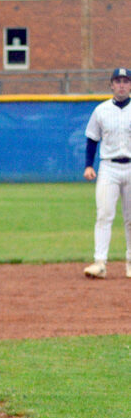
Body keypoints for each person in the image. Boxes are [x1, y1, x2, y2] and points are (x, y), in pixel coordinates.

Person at [83, 67, 131, 279]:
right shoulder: (101, 110)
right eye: (118, 80)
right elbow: (92, 139)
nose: (121, 84)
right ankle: (100, 262)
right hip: (108, 167)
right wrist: (88, 165)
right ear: (111, 85)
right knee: (104, 215)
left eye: (125, 81)